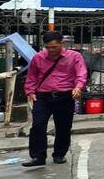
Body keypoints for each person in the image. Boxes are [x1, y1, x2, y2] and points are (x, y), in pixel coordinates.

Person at [21, 30, 88, 168]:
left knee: (63, 127)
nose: (51, 50)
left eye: (54, 47)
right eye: (48, 47)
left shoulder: (74, 56)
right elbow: (31, 77)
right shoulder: (38, 58)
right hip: (43, 97)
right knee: (38, 125)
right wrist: (30, 92)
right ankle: (38, 157)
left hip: (65, 96)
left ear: (62, 44)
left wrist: (79, 87)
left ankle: (59, 154)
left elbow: (81, 73)